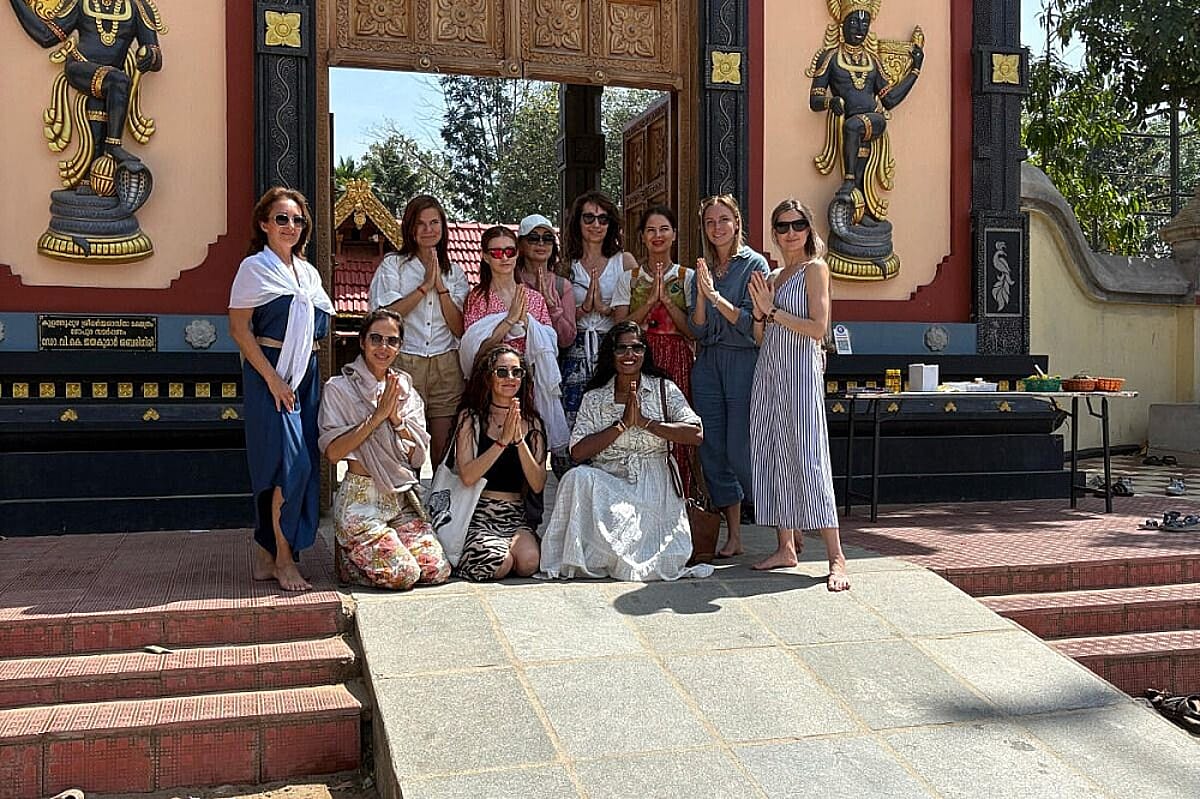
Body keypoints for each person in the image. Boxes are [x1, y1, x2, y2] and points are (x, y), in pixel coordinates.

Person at [539, 323, 711, 581]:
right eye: (622, 348)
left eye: (636, 348)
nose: (629, 354)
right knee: (575, 478)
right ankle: (588, 556)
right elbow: (576, 451)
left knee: (647, 559)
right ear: (611, 353)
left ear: (644, 353)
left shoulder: (663, 388)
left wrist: (646, 423)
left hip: (654, 481)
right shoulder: (595, 397)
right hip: (610, 478)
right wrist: (621, 426)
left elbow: (696, 434)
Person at [229, 187, 334, 592]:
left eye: (297, 220)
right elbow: (239, 329)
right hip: (269, 377)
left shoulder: (308, 274)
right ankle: (285, 561)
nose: (291, 226)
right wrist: (272, 379)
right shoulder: (254, 269)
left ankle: (265, 554)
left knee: (299, 465)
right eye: (282, 219)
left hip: (304, 376)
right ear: (264, 224)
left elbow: (318, 323)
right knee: (287, 467)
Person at [748, 200, 849, 591]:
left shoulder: (815, 269)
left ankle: (836, 556)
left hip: (800, 374)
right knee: (773, 453)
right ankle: (785, 546)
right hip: (770, 370)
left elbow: (818, 327)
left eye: (798, 225)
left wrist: (772, 311)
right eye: (783, 226)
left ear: (808, 229)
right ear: (774, 233)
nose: (790, 232)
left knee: (809, 456)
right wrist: (760, 314)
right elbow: (760, 338)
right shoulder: (772, 275)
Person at [318, 310, 451, 590]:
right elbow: (332, 453)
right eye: (376, 339)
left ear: (400, 346)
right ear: (363, 342)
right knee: (405, 575)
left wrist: (396, 420)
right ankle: (349, 561)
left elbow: (417, 455)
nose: (383, 347)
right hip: (360, 500)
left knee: (435, 569)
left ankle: (382, 547)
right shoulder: (339, 389)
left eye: (392, 341)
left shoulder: (405, 390)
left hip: (398, 501)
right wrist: (376, 417)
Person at [687, 194, 770, 558]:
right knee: (712, 451)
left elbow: (754, 323)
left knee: (741, 451)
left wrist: (716, 297)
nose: (717, 228)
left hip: (742, 362)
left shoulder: (754, 265)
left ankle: (785, 526)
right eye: (710, 222)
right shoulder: (701, 269)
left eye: (723, 220)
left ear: (736, 222)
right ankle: (734, 535)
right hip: (708, 363)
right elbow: (698, 330)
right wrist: (704, 295)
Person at [368, 195, 470, 465]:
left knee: (444, 449)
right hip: (405, 361)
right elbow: (384, 317)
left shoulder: (456, 273)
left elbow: (460, 328)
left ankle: (440, 506)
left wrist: (441, 287)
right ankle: (407, 506)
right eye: (421, 224)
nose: (428, 230)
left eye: (434, 222)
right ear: (410, 229)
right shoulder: (394, 266)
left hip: (445, 363)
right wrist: (424, 287)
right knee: (403, 445)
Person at [460, 226, 569, 454]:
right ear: (485, 256)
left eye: (509, 251)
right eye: (497, 253)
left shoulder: (534, 298)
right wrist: (509, 322)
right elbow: (475, 353)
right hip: (490, 390)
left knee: (528, 453)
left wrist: (529, 324)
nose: (504, 257)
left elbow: (549, 346)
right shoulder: (478, 299)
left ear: (517, 253)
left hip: (527, 389)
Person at [452, 346, 547, 582]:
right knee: (500, 564)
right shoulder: (470, 418)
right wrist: (501, 443)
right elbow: (467, 476)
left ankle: (506, 550)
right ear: (489, 376)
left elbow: (537, 484)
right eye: (502, 372)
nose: (510, 378)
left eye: (517, 372)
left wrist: (518, 442)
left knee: (528, 563)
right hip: (479, 513)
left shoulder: (533, 423)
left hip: (515, 515)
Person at [560, 191, 638, 434]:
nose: (596, 225)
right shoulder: (566, 265)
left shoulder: (623, 261)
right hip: (575, 348)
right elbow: (555, 319)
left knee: (612, 416)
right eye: (589, 218)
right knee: (574, 418)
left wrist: (607, 310)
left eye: (603, 219)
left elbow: (639, 313)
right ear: (578, 222)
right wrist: (582, 310)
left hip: (612, 347)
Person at [613, 205, 694, 397]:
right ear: (642, 236)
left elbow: (692, 331)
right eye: (651, 230)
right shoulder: (628, 279)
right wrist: (649, 302)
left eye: (664, 229)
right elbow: (618, 328)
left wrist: (667, 301)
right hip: (638, 355)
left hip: (677, 356)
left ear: (674, 234)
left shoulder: (687, 277)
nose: (658, 235)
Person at [516, 214, 576, 350]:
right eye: (533, 238)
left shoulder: (562, 286)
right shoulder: (511, 280)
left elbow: (567, 339)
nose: (541, 243)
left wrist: (551, 307)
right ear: (520, 244)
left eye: (548, 238)